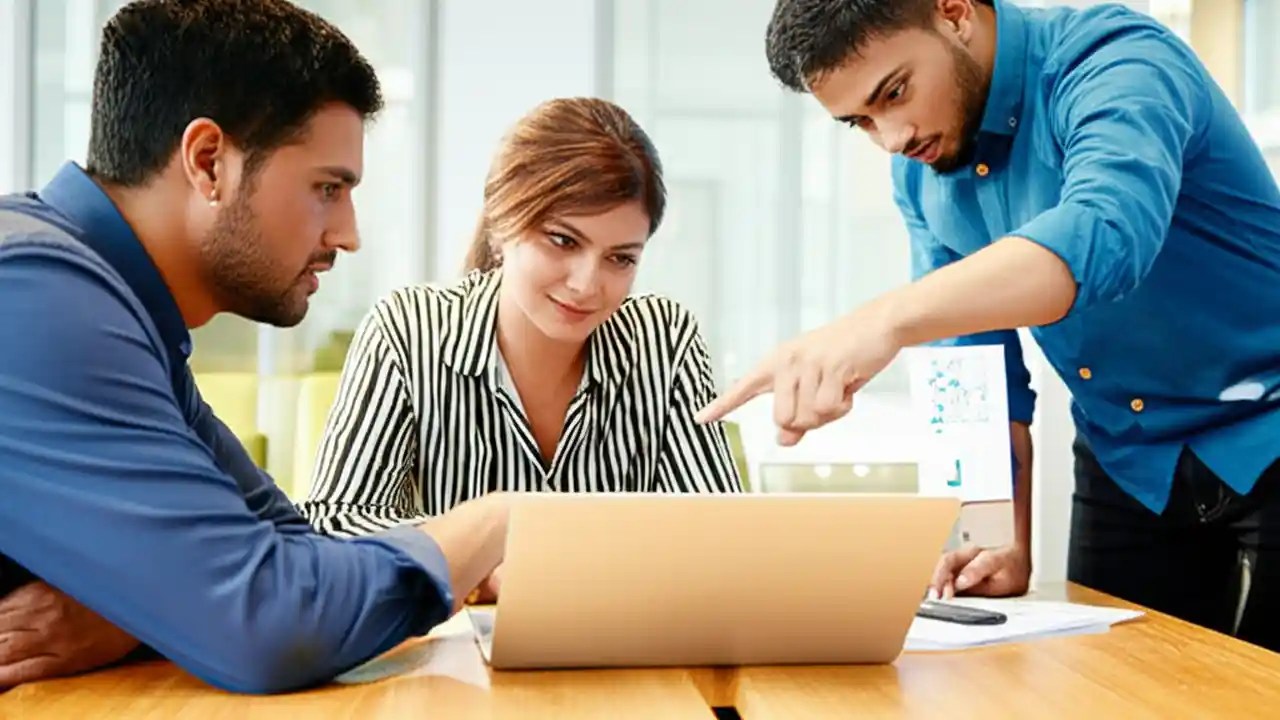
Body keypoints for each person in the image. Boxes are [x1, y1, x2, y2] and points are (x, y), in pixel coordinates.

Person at [698, 0, 1280, 650]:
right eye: (860, 121)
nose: (891, 137)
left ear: (953, 12)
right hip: (1131, 458)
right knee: (1116, 692)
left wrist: (881, 322)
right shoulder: (920, 170)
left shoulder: (1113, 58)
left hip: (1269, 426)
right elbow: (972, 364)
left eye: (894, 92)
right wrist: (993, 536)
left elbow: (1106, 234)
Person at [0, 0, 509, 692]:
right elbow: (270, 622)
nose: (348, 234)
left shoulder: (123, 313)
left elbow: (290, 554)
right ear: (209, 162)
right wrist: (499, 517)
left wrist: (140, 609)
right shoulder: (36, 296)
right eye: (327, 188)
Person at [299, 97, 742, 599]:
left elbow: (716, 534)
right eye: (562, 241)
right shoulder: (409, 329)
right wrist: (478, 570)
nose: (586, 284)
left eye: (620, 259)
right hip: (459, 659)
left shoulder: (665, 340)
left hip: (622, 653)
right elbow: (335, 524)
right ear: (502, 221)